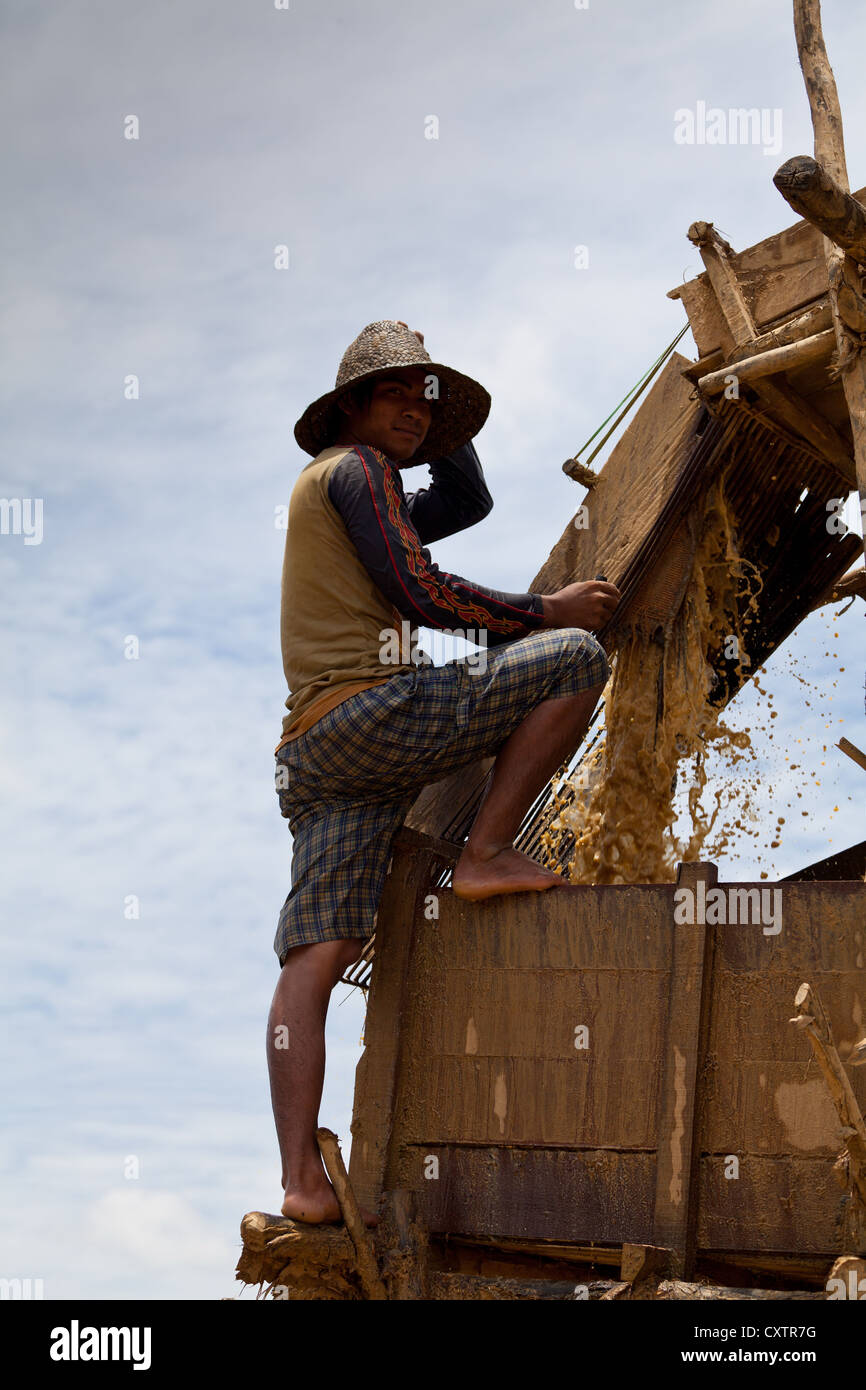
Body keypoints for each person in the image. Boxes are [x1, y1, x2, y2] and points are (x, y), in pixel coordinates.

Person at [267, 319, 620, 1224]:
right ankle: (487, 850)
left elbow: (465, 505)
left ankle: (300, 1183)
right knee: (576, 655)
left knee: (318, 956)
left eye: (423, 404)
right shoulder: (359, 473)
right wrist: (545, 609)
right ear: (350, 406)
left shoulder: (343, 498)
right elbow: (426, 593)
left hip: (318, 754)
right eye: (394, 397)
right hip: (372, 715)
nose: (413, 418)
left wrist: (437, 417)